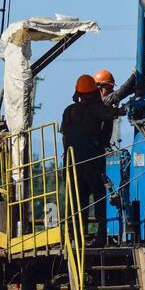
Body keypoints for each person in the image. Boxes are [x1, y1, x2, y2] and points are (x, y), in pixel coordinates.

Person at [60, 74, 122, 245]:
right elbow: (112, 113)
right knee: (99, 198)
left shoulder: (69, 111)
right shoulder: (95, 109)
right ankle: (101, 237)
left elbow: (65, 138)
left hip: (72, 163)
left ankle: (76, 238)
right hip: (92, 162)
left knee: (77, 201)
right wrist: (122, 110)